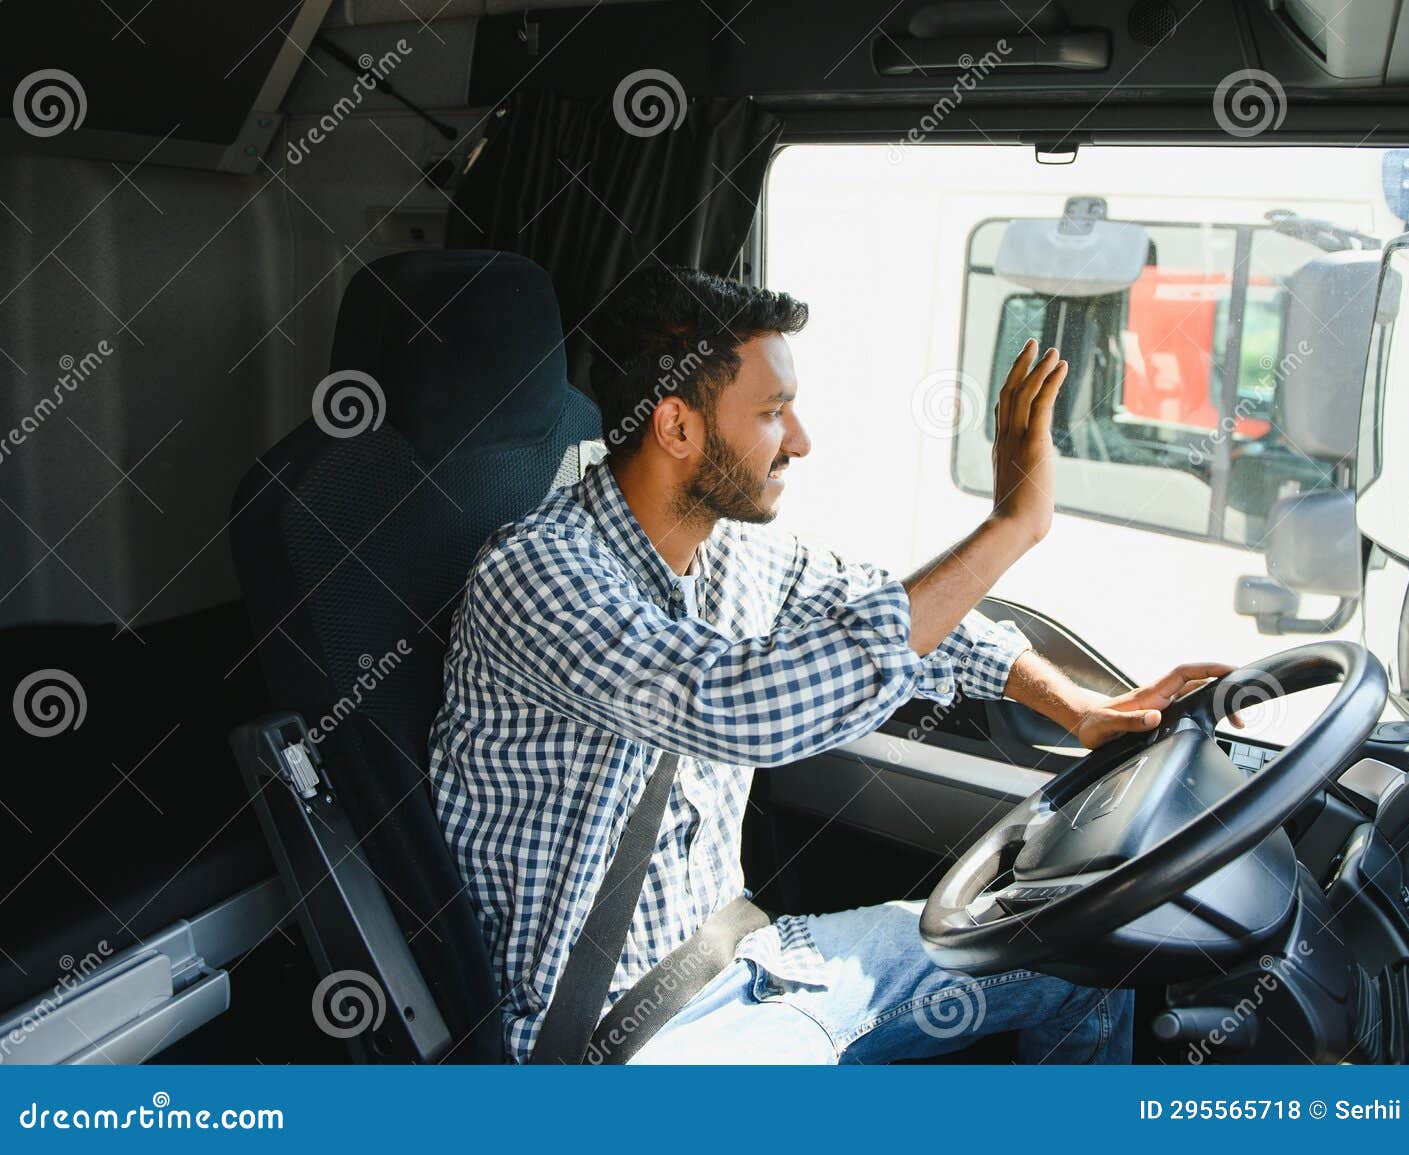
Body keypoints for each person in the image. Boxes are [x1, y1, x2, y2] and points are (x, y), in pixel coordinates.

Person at [427, 265, 1232, 1064]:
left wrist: (1078, 707)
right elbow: (742, 706)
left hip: (741, 960)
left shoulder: (733, 551)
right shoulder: (534, 575)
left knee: (1085, 955)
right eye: (775, 413)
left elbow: (908, 617)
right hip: (613, 1039)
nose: (802, 441)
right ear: (676, 428)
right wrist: (1013, 527)